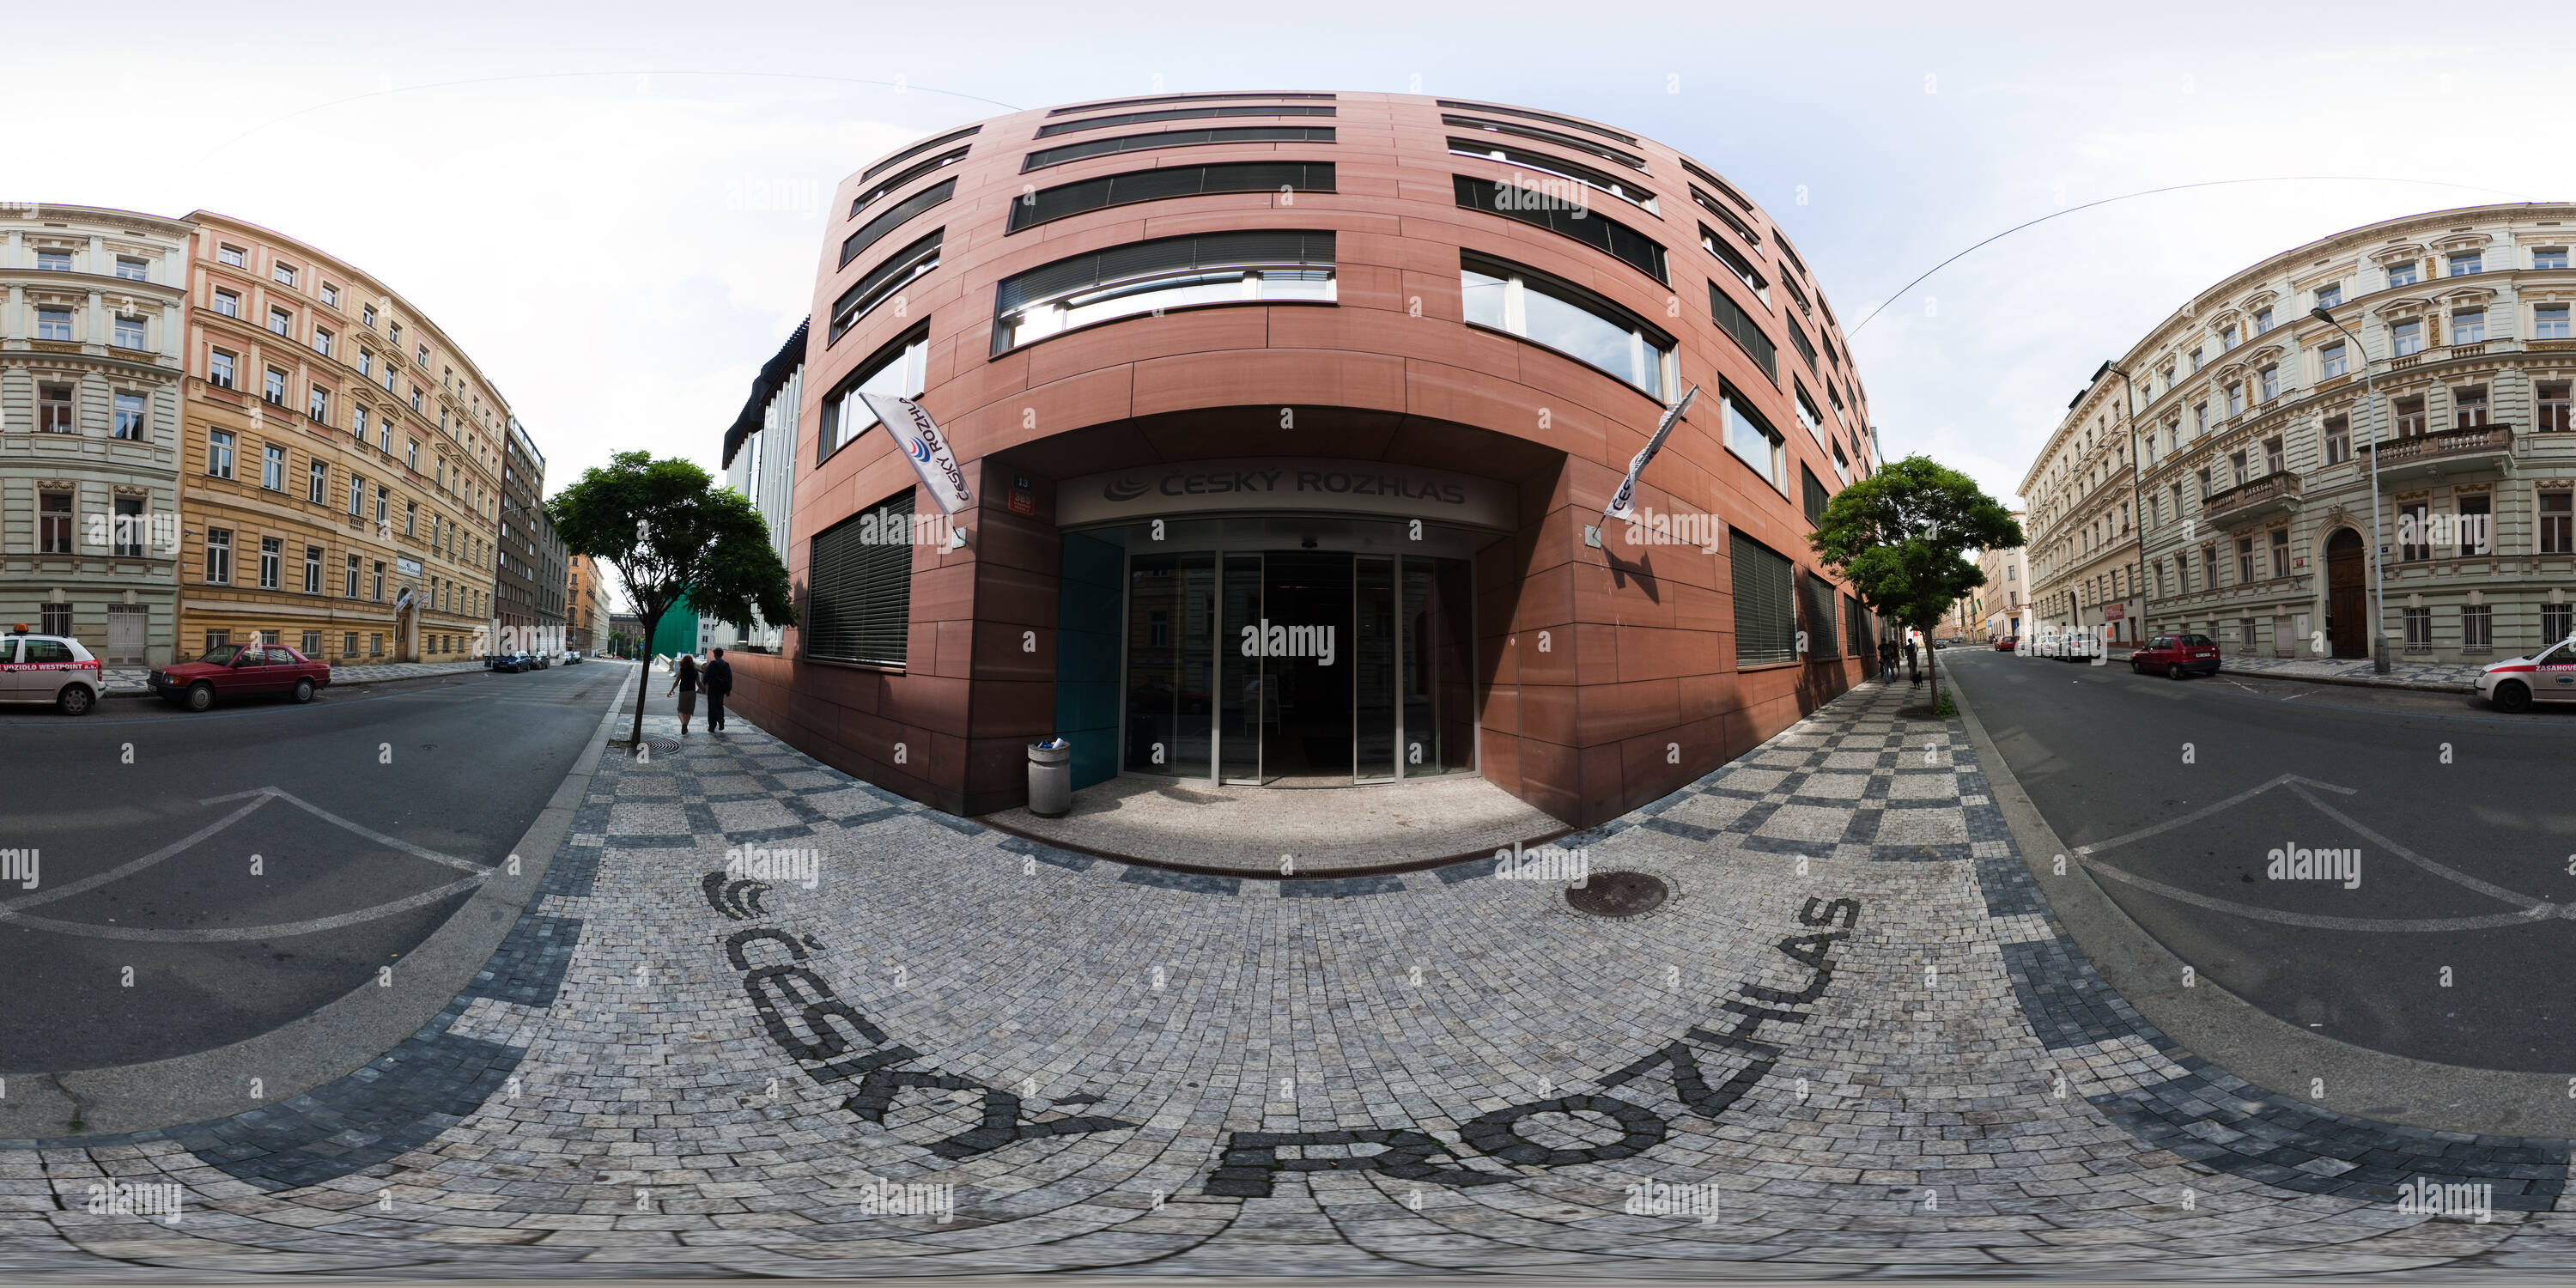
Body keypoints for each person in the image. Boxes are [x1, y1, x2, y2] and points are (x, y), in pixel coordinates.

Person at [667, 653, 700, 734]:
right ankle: (685, 726)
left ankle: (683, 724)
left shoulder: (682, 670)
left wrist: (671, 690)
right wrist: (703, 689)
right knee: (689, 711)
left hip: (683, 693)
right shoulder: (695, 671)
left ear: (683, 662)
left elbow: (677, 682)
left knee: (680, 711)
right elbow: (699, 683)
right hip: (692, 693)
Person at [703, 647, 733, 733]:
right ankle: (721, 722)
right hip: (721, 690)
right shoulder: (726, 665)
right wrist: (728, 690)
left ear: (715, 655)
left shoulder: (712, 664)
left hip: (712, 689)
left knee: (712, 707)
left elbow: (706, 675)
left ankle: (712, 727)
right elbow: (729, 678)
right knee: (719, 706)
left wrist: (704, 685)